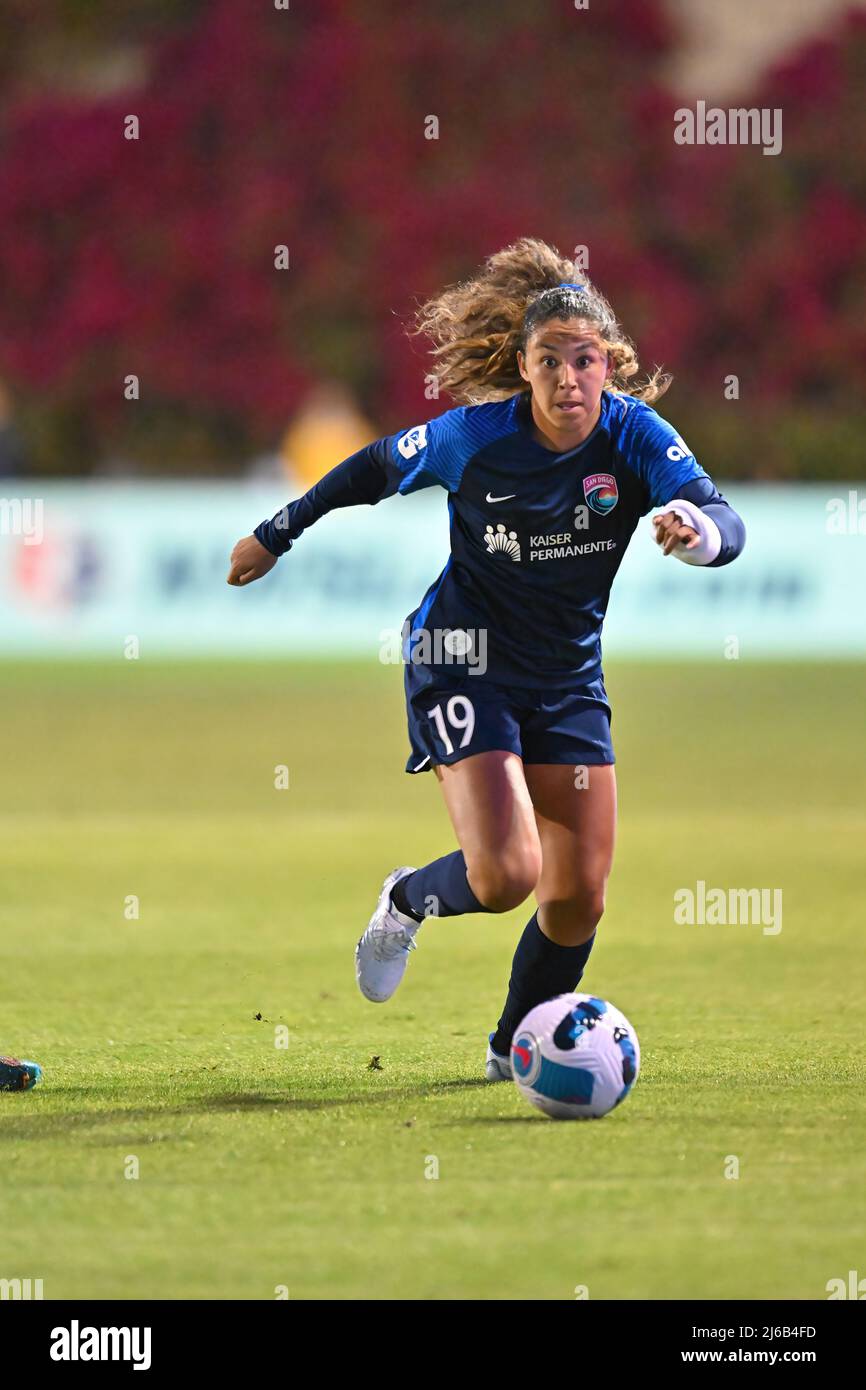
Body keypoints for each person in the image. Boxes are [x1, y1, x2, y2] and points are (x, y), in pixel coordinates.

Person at [227, 238, 745, 1081]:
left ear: (608, 365)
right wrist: (274, 533)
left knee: (577, 898)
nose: (570, 378)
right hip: (459, 655)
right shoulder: (474, 437)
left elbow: (724, 516)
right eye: (551, 362)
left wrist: (698, 534)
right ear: (524, 367)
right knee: (507, 875)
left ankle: (514, 1046)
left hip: (567, 676)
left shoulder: (637, 437)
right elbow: (367, 469)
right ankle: (405, 901)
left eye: (586, 360)